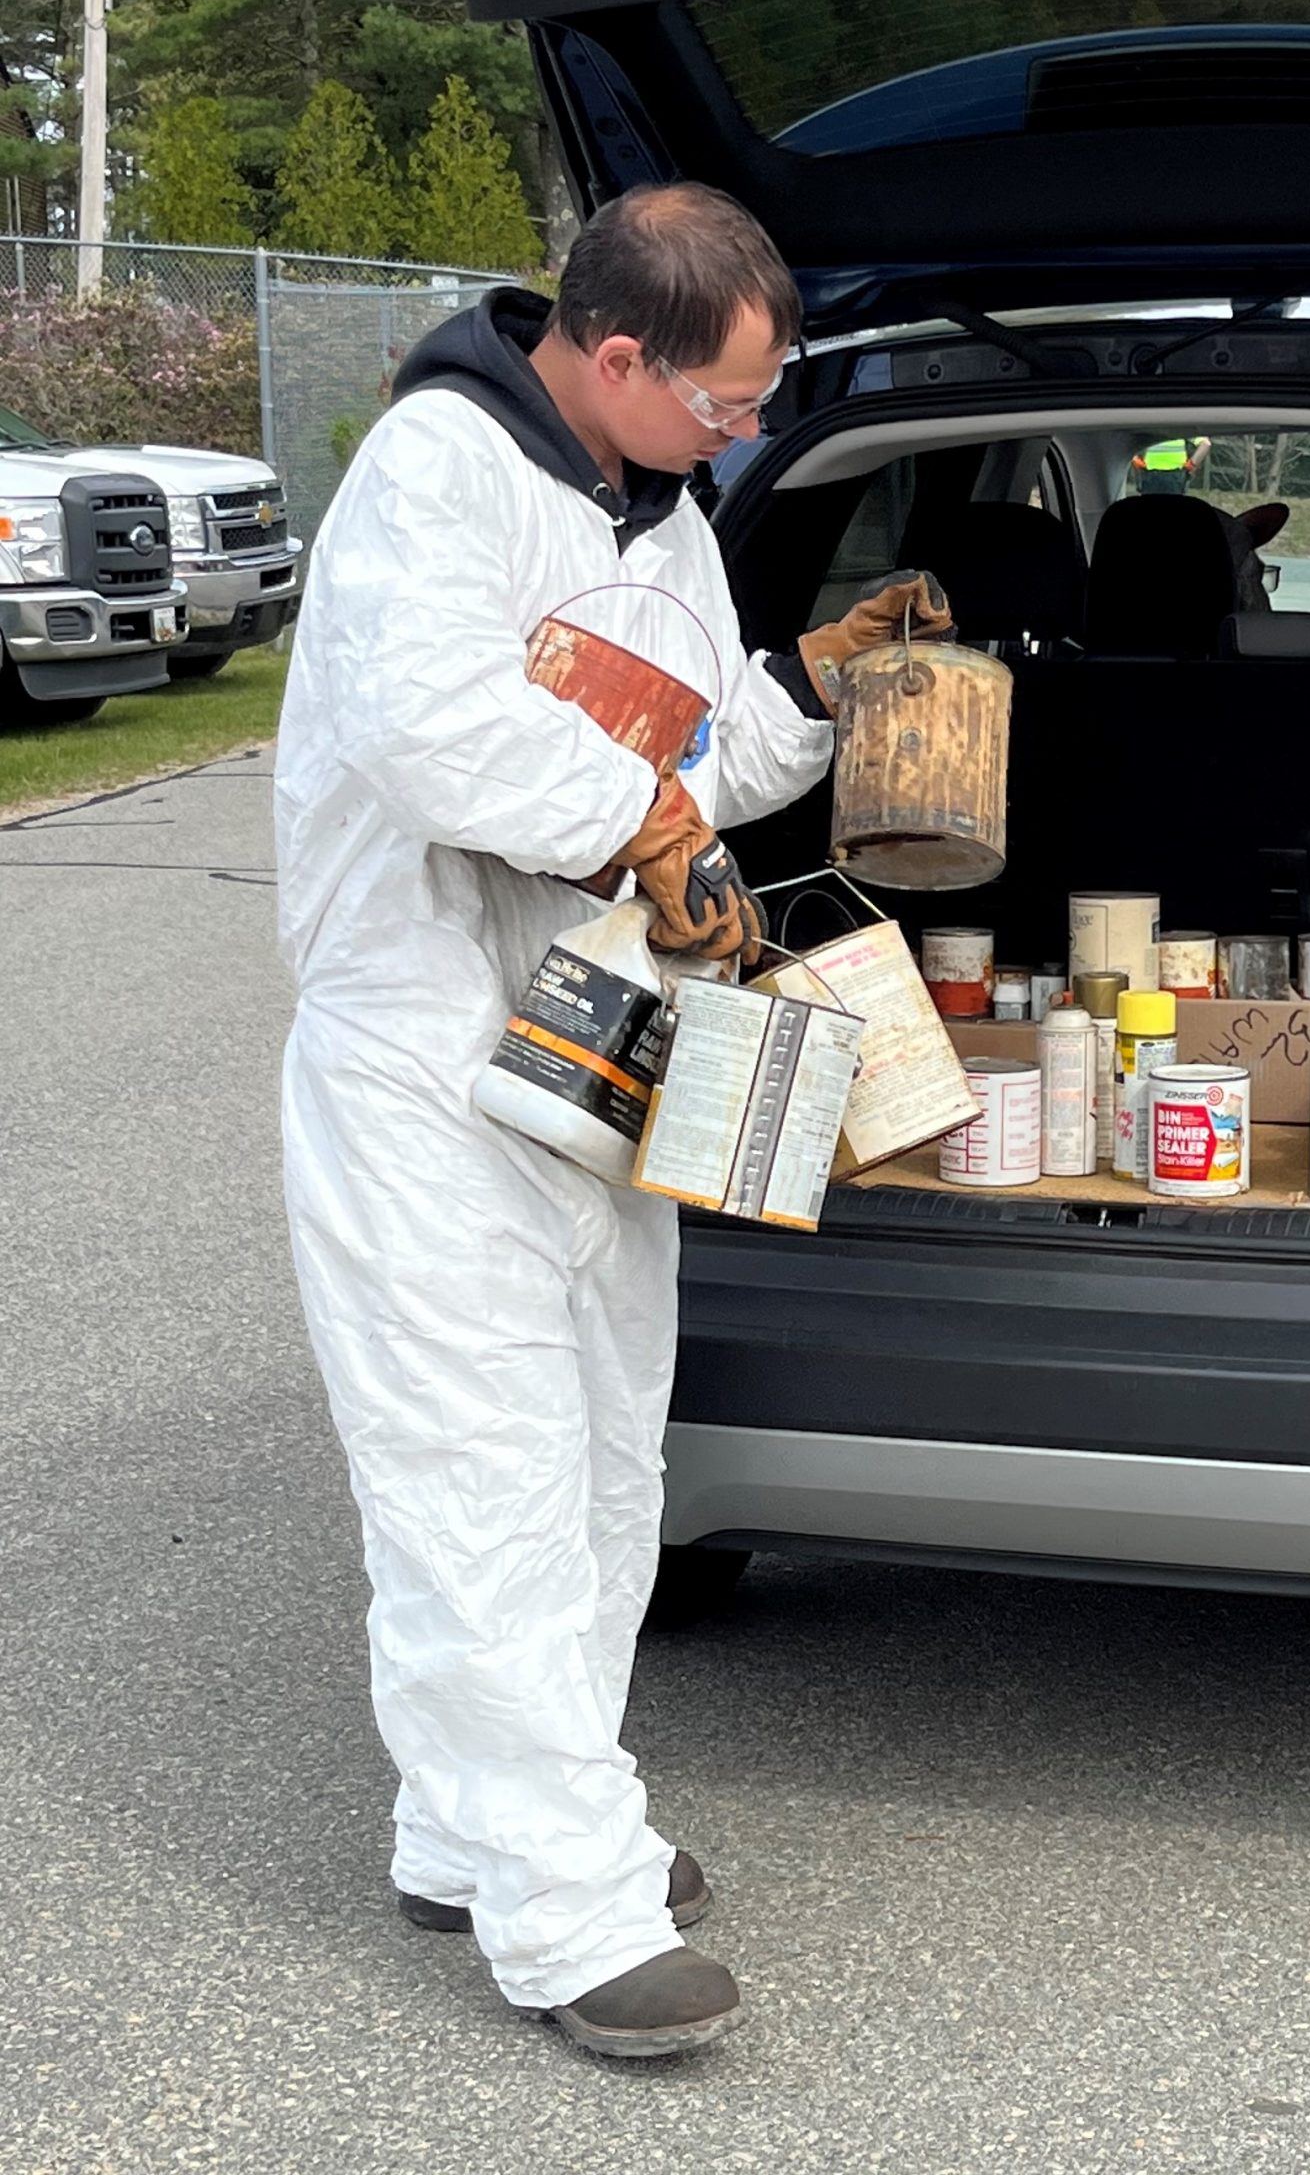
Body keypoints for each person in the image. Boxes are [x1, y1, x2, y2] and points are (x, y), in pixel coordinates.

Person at [275, 183, 949, 2060]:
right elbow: (428, 729)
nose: (743, 435)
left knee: (594, 1471)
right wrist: (642, 830)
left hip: (593, 1052)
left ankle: (473, 1827)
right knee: (471, 1487)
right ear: (621, 353)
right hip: (420, 1061)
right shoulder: (439, 473)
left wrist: (803, 695)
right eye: (729, 404)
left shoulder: (659, 511)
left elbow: (693, 755)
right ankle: (570, 1910)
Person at [1129, 432, 1212, 496]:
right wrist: (1192, 464)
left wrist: (1134, 459)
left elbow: (1125, 441)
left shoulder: (1150, 426)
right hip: (1175, 477)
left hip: (1150, 475)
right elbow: (1206, 444)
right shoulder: (1182, 427)